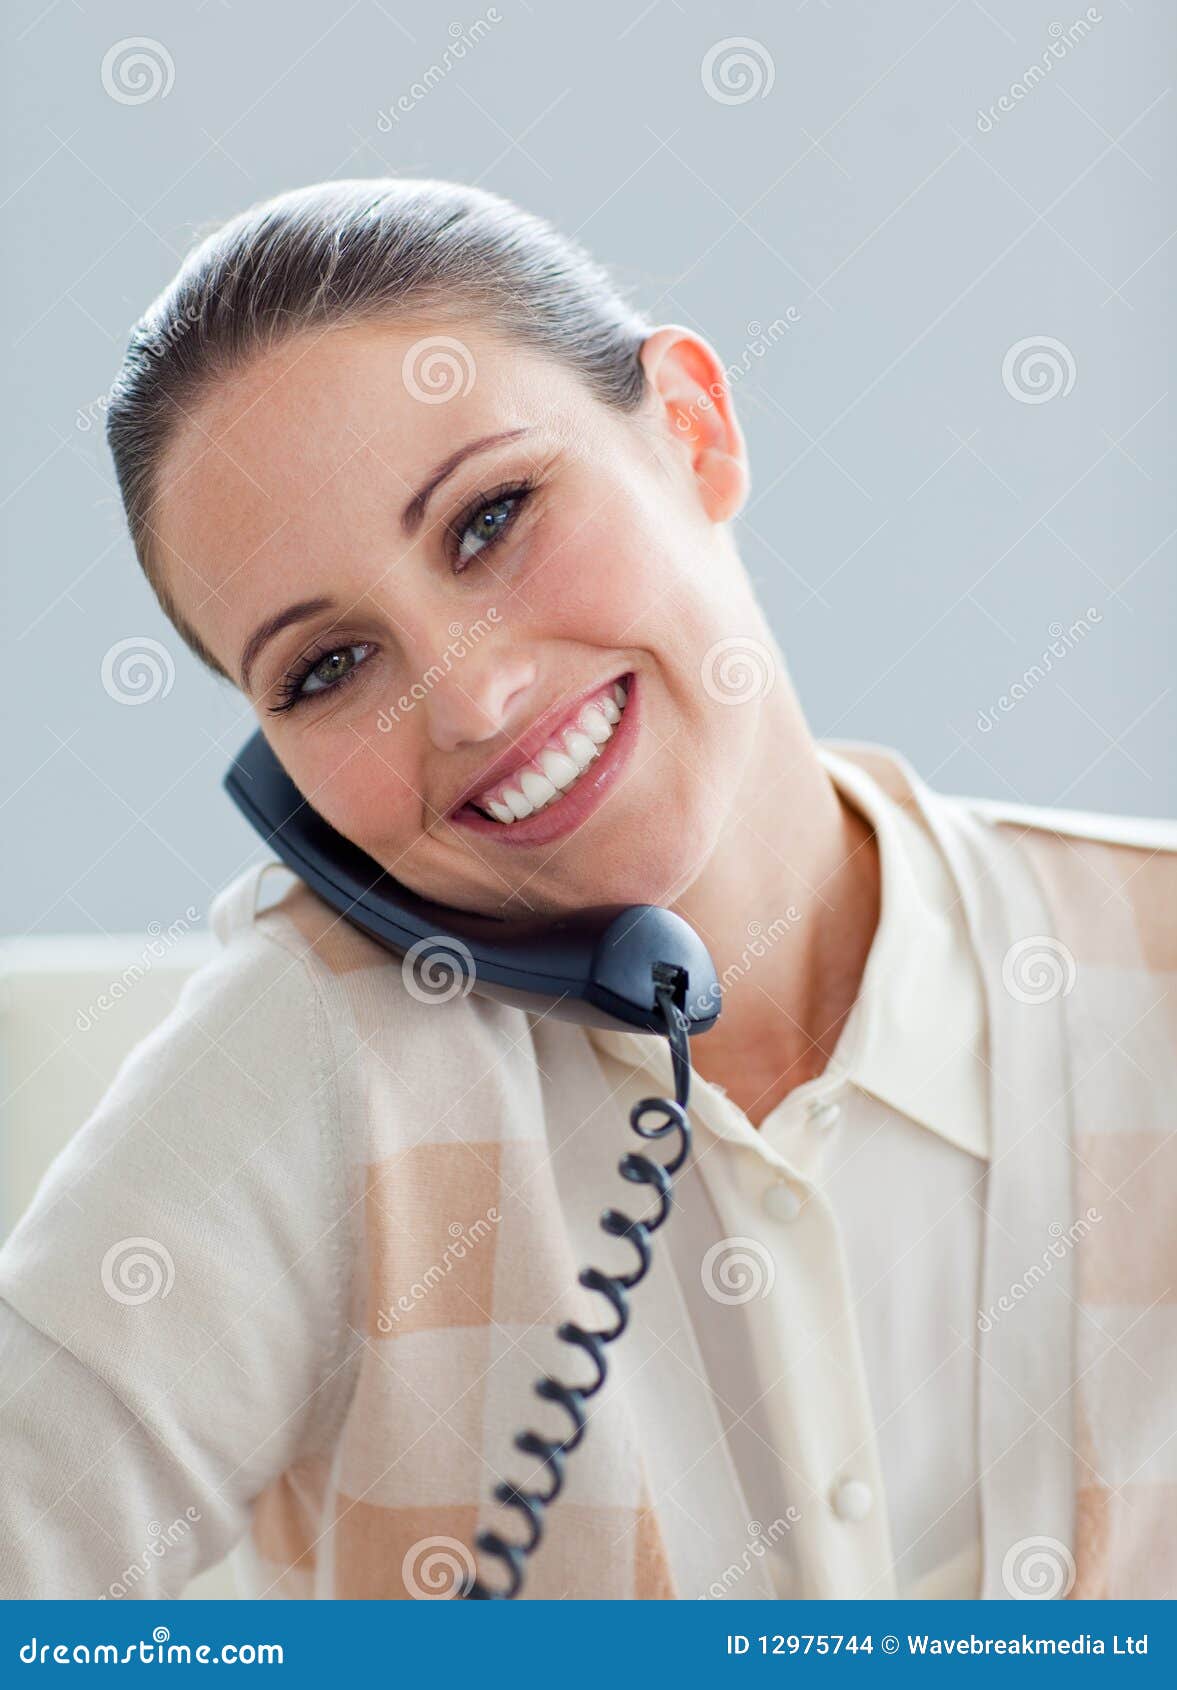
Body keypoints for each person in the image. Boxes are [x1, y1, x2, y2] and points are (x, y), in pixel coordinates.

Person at [1, 178, 1173, 1602]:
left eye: (491, 518)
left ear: (691, 430)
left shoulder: (1145, 968)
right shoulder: (317, 1052)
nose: (475, 696)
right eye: (327, 668)